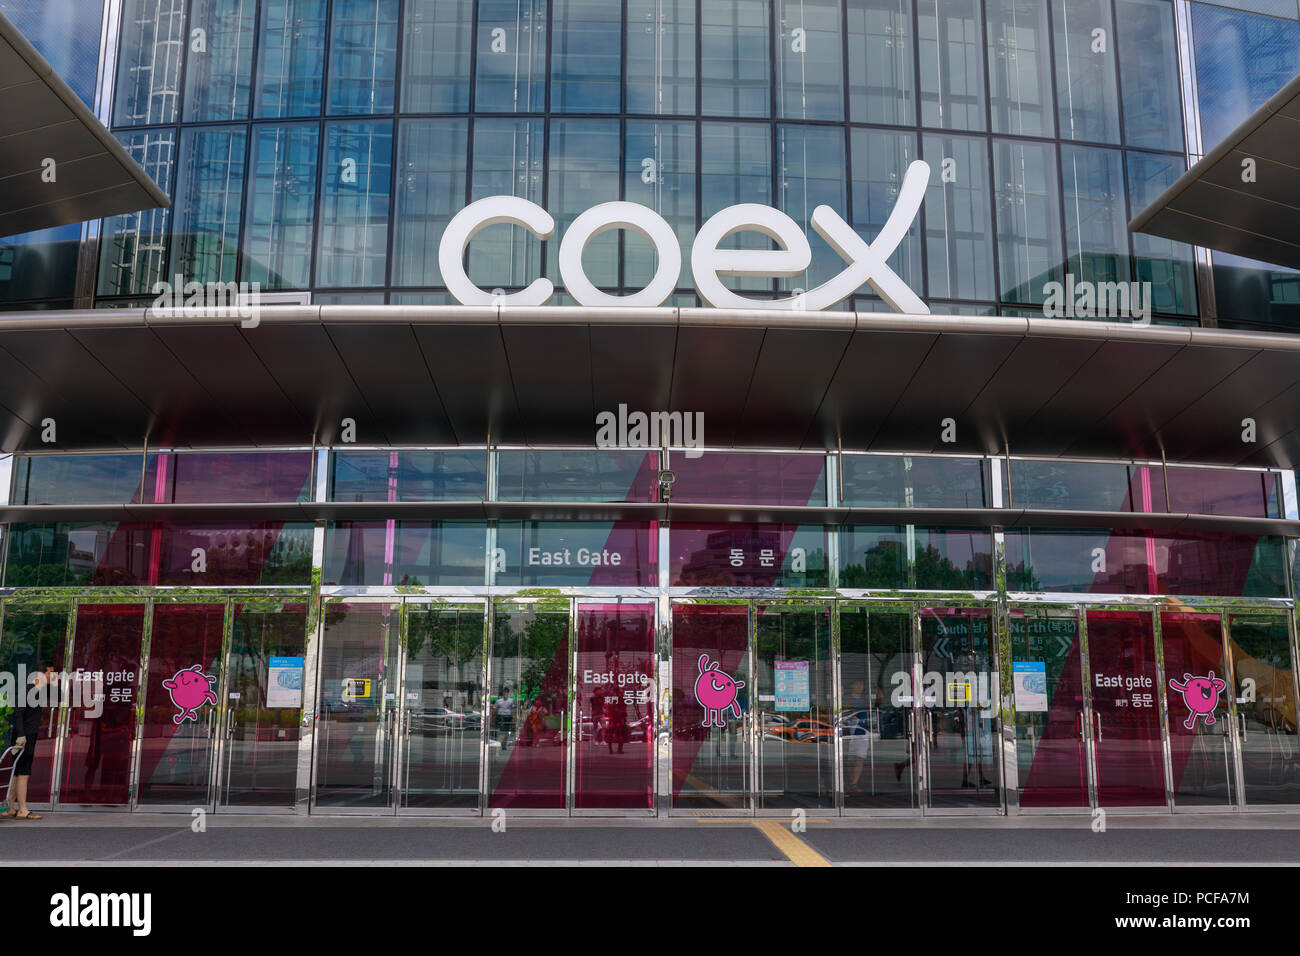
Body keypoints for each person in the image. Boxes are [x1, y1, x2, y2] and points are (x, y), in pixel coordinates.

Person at [3, 661, 53, 821]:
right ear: (40, 675)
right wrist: (21, 736)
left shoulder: (37, 692)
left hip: (25, 735)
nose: (52, 677)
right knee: (24, 773)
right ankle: (23, 809)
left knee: (18, 773)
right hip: (24, 737)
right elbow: (18, 713)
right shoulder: (28, 691)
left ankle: (11, 808)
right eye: (49, 673)